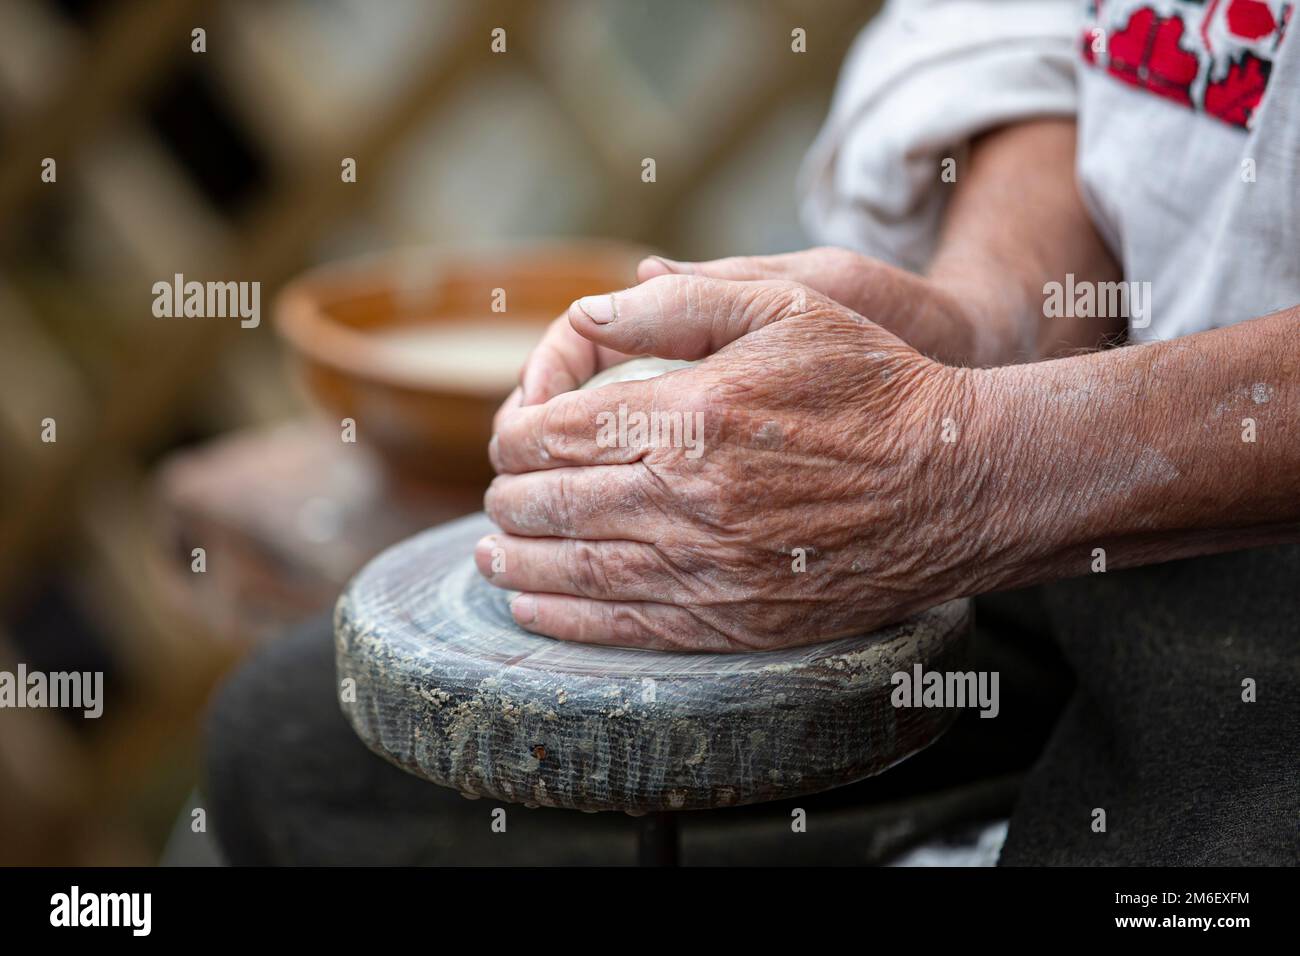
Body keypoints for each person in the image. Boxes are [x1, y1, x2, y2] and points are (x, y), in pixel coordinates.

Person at [205, 0, 1298, 865]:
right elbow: (1053, 31)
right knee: (296, 758)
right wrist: (997, 313)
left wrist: (976, 462)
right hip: (1077, 425)